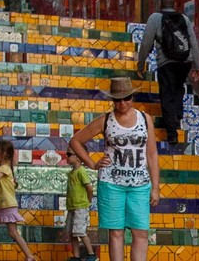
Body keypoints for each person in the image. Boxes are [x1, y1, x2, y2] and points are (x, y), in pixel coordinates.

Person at [68, 77, 159, 261]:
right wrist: (93, 164)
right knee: (116, 233)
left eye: (127, 98)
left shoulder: (145, 119)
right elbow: (76, 141)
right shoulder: (106, 120)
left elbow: (151, 154)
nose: (122, 103)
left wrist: (156, 187)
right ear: (112, 100)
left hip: (140, 184)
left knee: (141, 233)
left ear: (133, 97)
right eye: (117, 99)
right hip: (111, 184)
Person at [135, 0, 199, 148]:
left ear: (160, 3)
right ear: (175, 4)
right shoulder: (184, 18)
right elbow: (193, 42)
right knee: (178, 89)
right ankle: (177, 119)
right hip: (184, 62)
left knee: (167, 94)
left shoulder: (155, 18)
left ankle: (172, 134)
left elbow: (146, 43)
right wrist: (197, 65)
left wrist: (140, 63)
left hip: (167, 62)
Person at [64, 150, 96, 261]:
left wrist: (88, 201)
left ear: (78, 157)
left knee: (80, 232)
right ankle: (76, 256)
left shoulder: (81, 171)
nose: (66, 156)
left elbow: (89, 188)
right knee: (72, 233)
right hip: (72, 207)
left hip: (80, 207)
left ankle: (91, 254)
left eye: (69, 154)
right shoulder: (71, 173)